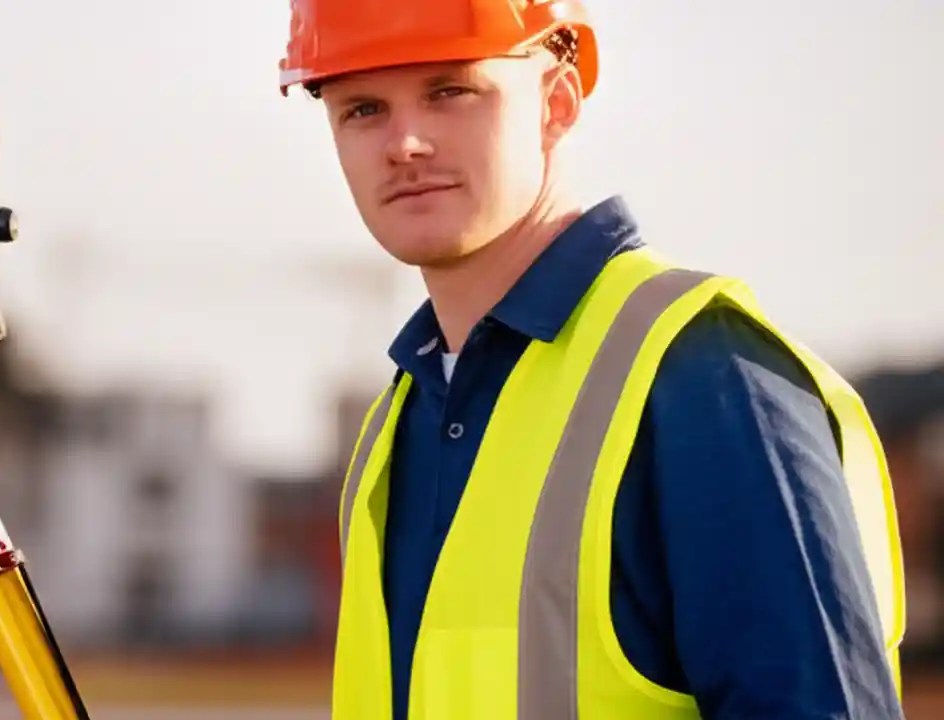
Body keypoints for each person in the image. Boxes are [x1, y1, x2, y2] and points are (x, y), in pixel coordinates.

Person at [276, 1, 907, 718]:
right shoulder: (399, 425)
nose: (406, 142)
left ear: (558, 101)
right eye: (362, 108)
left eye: (450, 91)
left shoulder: (703, 377)